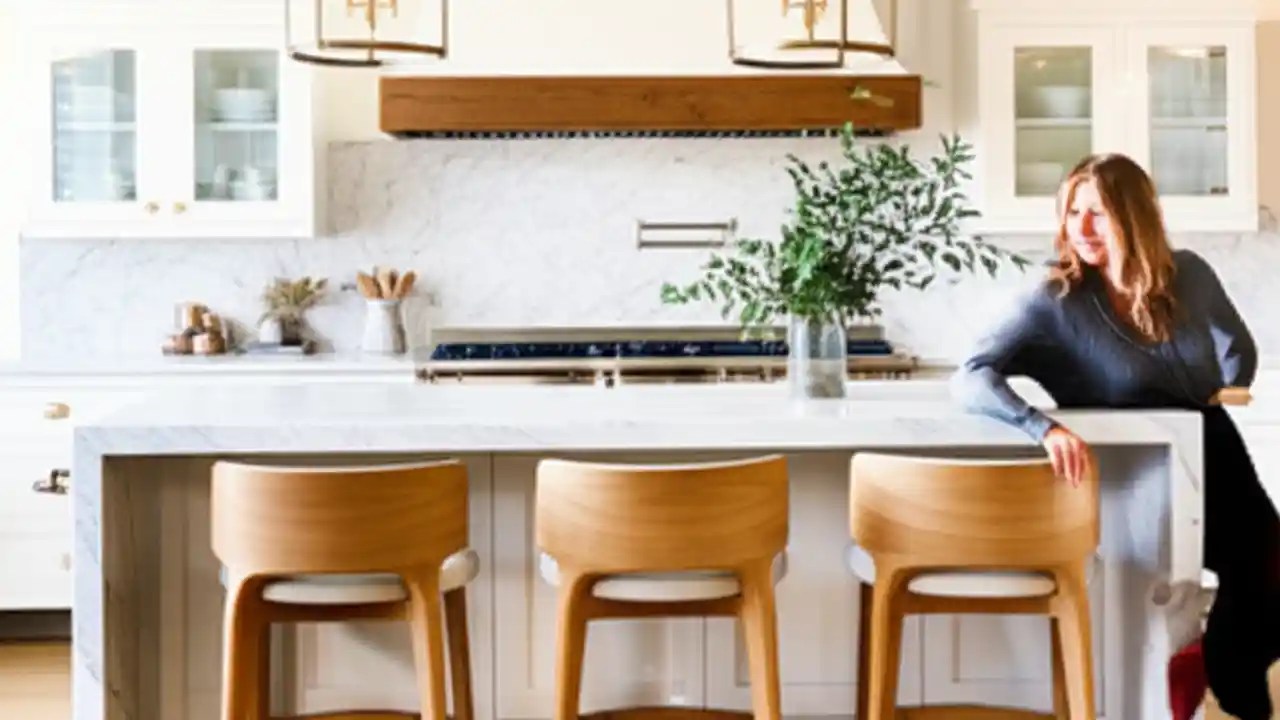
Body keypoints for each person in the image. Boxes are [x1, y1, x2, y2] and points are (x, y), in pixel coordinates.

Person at [950, 152, 1280, 719]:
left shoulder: (1190, 274)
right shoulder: (1052, 301)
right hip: (1133, 472)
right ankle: (1229, 693)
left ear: (1135, 216)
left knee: (1272, 581)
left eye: (1097, 213)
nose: (1080, 227)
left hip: (1213, 448)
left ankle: (1209, 667)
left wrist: (1232, 384)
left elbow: (1238, 350)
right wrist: (1041, 427)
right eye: (1072, 211)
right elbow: (971, 376)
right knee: (1192, 595)